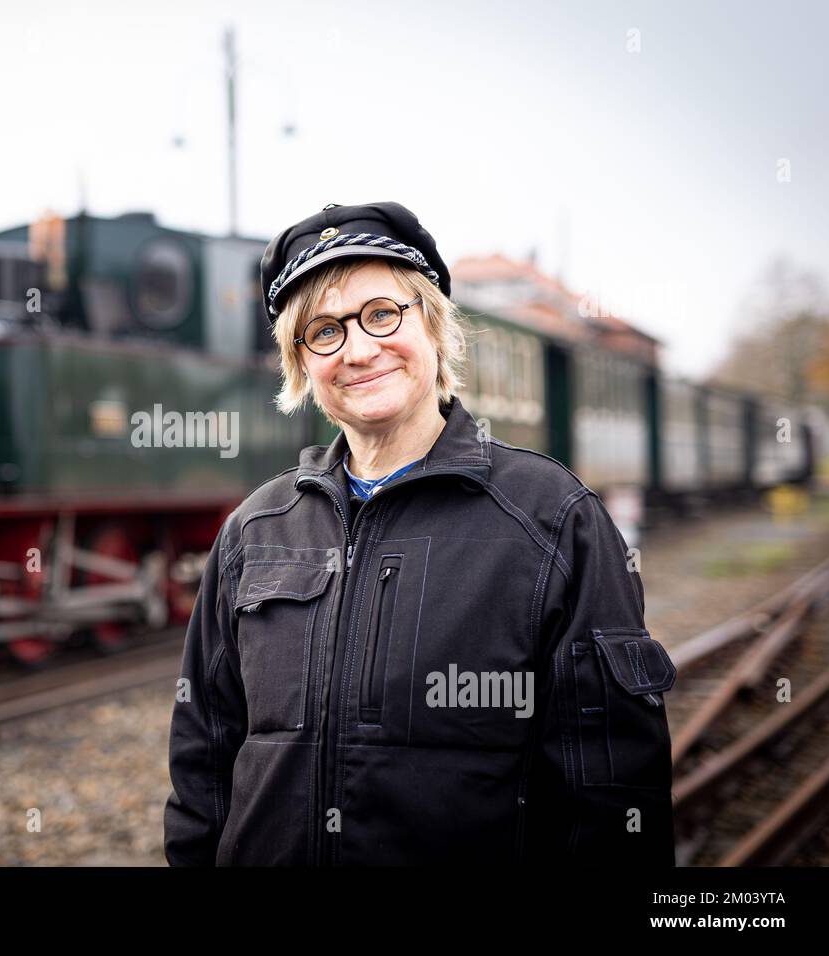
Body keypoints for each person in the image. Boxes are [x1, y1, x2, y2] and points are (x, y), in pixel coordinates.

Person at [163, 201, 676, 865]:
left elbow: (610, 790)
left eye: (382, 314)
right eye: (324, 331)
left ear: (432, 327)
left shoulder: (553, 519)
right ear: (303, 364)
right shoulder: (254, 531)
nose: (358, 349)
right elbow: (202, 763)